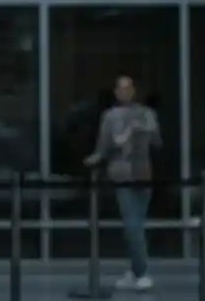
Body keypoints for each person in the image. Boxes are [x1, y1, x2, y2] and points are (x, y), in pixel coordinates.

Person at [85, 75, 162, 292]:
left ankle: (140, 271)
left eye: (128, 88)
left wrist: (144, 130)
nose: (124, 92)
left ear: (133, 91)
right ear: (116, 93)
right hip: (123, 175)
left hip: (142, 174)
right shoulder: (110, 116)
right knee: (133, 225)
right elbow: (103, 148)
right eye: (120, 88)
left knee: (135, 225)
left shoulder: (147, 114)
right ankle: (138, 270)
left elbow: (157, 142)